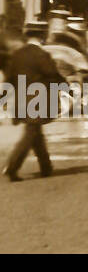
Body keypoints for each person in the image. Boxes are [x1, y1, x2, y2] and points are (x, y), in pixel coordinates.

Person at [4, 22, 63, 181]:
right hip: (38, 100)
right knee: (31, 133)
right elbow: (52, 74)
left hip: (22, 99)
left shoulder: (17, 55)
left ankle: (46, 167)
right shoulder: (41, 54)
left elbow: (9, 79)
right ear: (42, 36)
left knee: (35, 132)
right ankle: (12, 166)